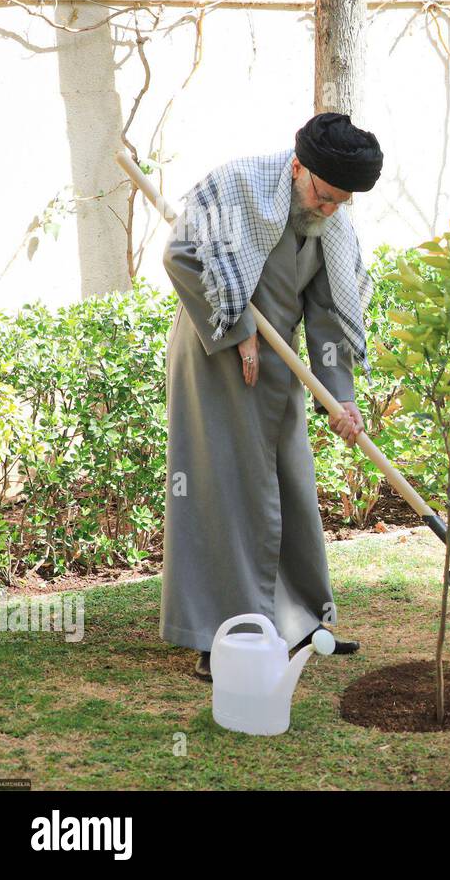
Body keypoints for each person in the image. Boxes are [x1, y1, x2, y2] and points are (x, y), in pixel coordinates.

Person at [159, 112, 383, 681]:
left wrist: (342, 397)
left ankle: (302, 620)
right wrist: (239, 330)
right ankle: (222, 639)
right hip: (214, 359)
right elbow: (180, 255)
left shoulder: (329, 226)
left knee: (289, 485)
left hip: (279, 372)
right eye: (325, 195)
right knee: (226, 494)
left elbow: (330, 317)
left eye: (341, 202)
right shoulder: (240, 189)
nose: (329, 209)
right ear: (297, 166)